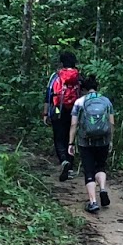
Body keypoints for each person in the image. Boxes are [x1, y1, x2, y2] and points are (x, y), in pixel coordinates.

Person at [68, 73, 115, 214]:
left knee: (89, 170)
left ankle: (93, 202)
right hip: (103, 140)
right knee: (100, 166)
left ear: (83, 89)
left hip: (85, 141)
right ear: (96, 87)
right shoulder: (106, 101)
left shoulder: (79, 102)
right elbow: (111, 123)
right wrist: (110, 139)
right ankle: (102, 189)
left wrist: (70, 143)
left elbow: (73, 125)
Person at [45, 51, 80, 179]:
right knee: (70, 137)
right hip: (73, 111)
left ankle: (64, 160)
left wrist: (46, 113)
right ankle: (70, 167)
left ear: (61, 62)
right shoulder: (78, 76)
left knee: (59, 136)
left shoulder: (56, 76)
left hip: (58, 109)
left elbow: (48, 94)